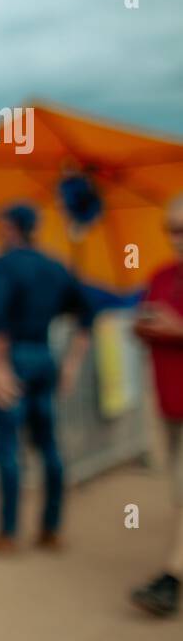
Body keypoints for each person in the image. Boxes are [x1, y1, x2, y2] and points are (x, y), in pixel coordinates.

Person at [0, 203, 93, 554]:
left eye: (2, 224)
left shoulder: (4, 263)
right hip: (45, 357)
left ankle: (8, 532)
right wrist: (72, 365)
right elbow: (87, 313)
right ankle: (50, 528)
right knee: (48, 447)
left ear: (12, 227)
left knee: (9, 447)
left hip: (15, 356)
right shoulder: (57, 266)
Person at [129, 193, 183, 617]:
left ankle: (172, 576)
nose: (176, 237)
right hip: (167, 399)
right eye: (171, 228)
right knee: (175, 488)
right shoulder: (162, 274)